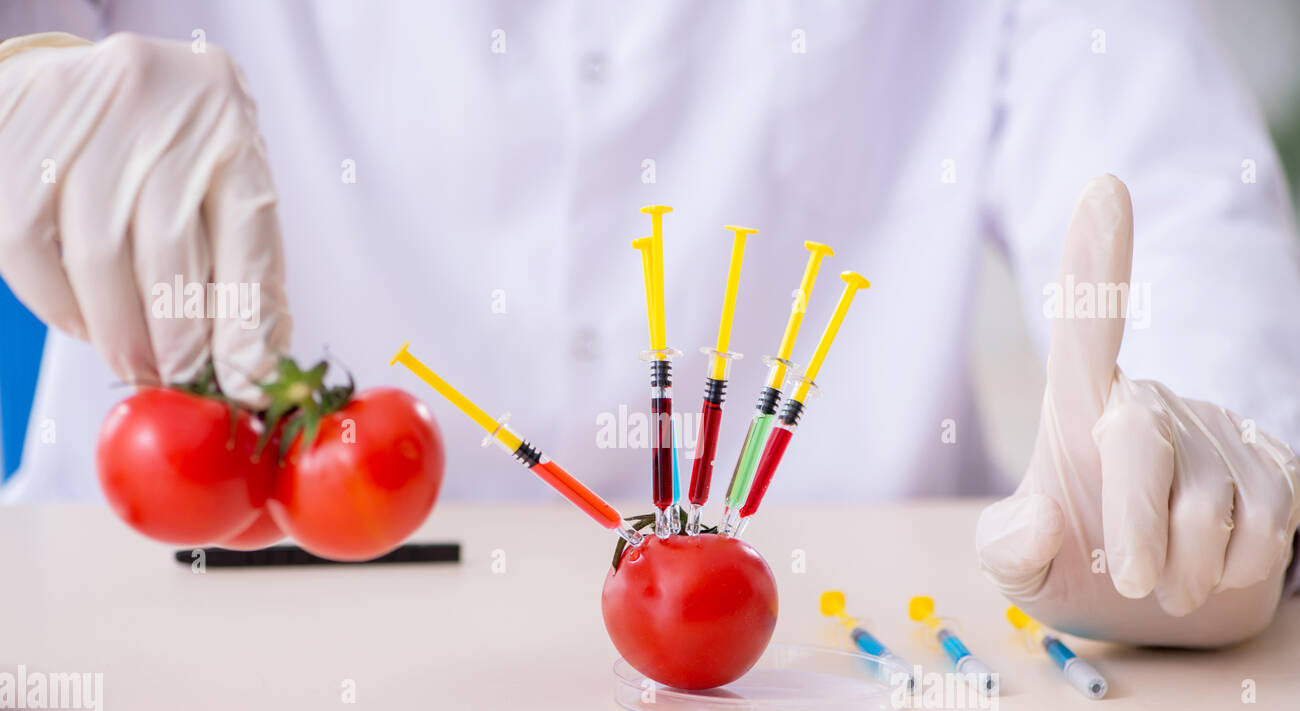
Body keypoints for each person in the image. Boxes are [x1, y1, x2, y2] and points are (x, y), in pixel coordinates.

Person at [1, 1, 1297, 645]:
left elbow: (1185, 196)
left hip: (860, 667)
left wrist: (1181, 495)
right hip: (154, 630)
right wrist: (21, 80)